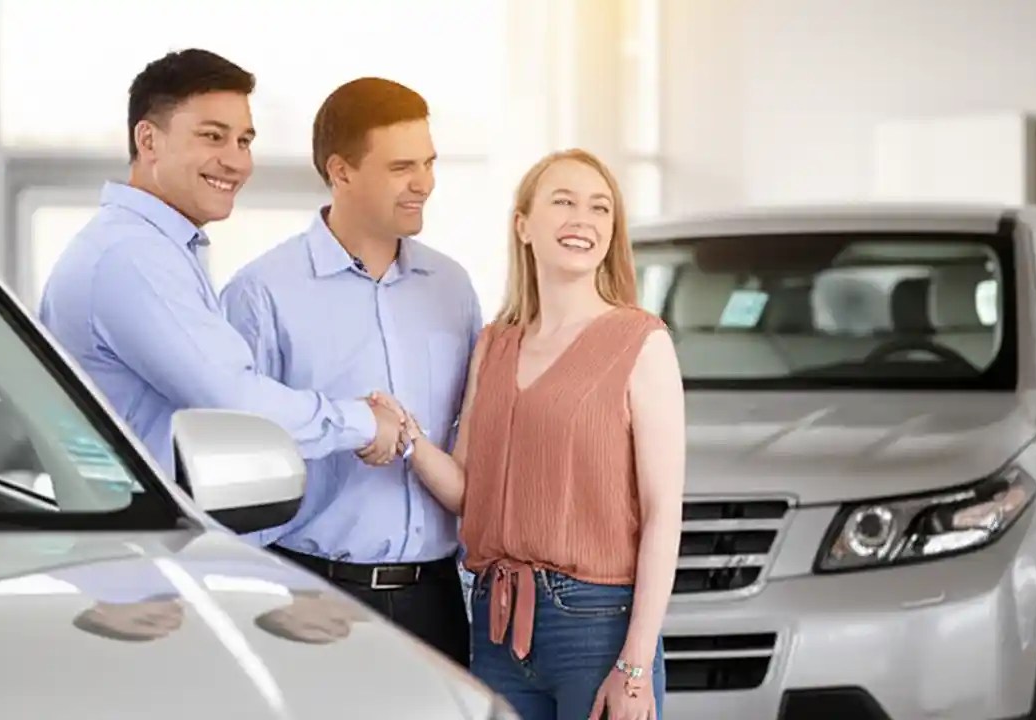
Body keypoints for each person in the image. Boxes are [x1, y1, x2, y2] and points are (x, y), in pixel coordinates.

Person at [372, 149, 685, 719]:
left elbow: (664, 513)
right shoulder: (495, 343)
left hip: (598, 627)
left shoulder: (642, 342)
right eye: (563, 202)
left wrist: (636, 665)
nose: (582, 220)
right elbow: (468, 492)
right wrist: (409, 437)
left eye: (600, 208)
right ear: (523, 225)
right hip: (496, 627)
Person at [38, 50, 406, 485]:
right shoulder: (131, 256)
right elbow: (233, 403)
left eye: (244, 141)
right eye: (213, 137)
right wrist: (362, 422)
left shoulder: (150, 246)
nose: (237, 162)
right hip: (136, 521)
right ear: (148, 140)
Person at [218, 77, 480, 667]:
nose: (424, 183)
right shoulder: (262, 293)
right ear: (341, 171)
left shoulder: (453, 289)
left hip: (438, 602)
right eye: (402, 167)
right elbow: (234, 459)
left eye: (429, 163)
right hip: (311, 597)